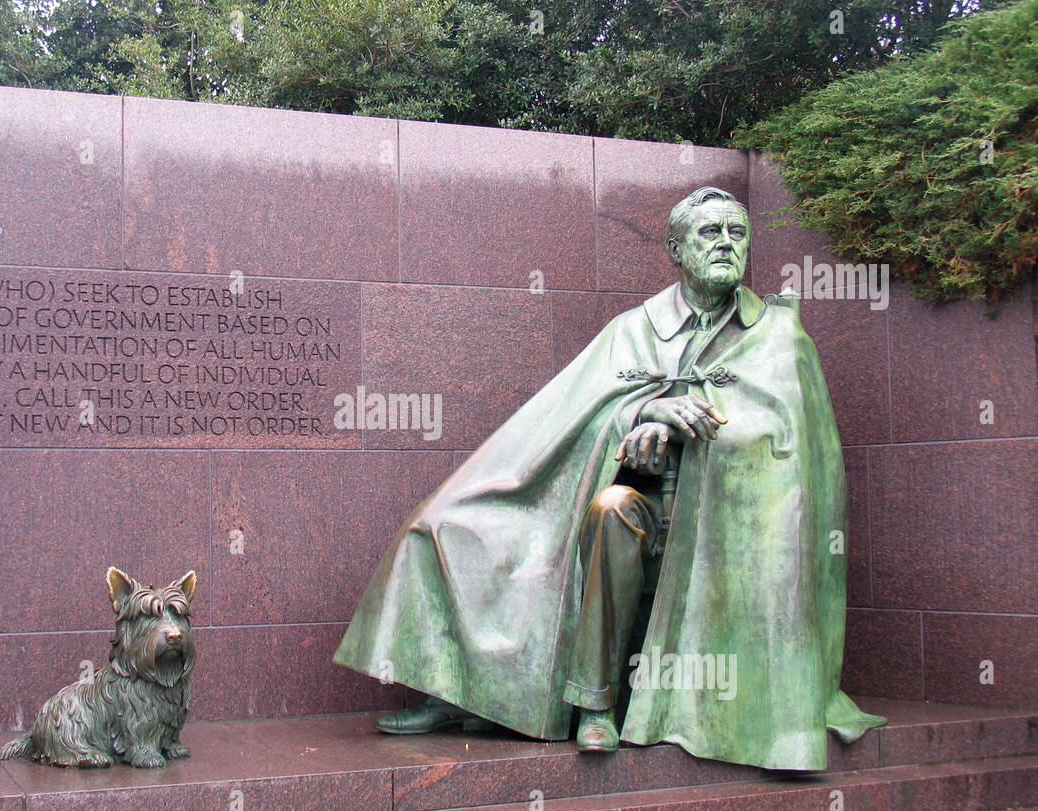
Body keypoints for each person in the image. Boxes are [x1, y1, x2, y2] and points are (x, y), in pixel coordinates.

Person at [333, 186, 885, 771]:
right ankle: (554, 701)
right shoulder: (633, 330)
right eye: (709, 233)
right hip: (636, 504)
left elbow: (791, 450)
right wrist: (637, 417)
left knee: (617, 509)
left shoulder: (777, 334)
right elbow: (567, 420)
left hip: (726, 526)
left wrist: (682, 429)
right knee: (472, 524)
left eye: (737, 233)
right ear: (676, 248)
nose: (726, 244)